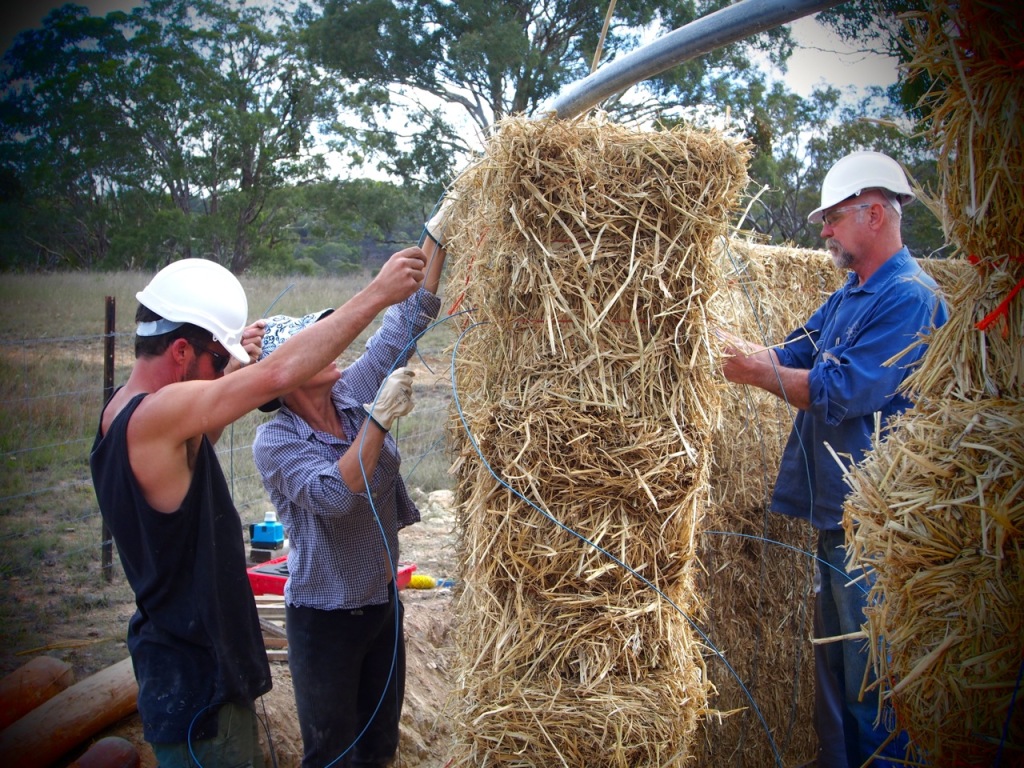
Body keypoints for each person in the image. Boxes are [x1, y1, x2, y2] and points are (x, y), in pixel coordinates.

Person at [89, 247, 428, 767]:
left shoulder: (127, 415)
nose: (227, 371)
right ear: (181, 352)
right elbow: (274, 381)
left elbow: (232, 396)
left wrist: (234, 359)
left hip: (195, 665)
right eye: (217, 359)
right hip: (196, 678)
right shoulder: (154, 419)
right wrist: (378, 292)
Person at [718, 150, 948, 768]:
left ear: (874, 214)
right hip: (836, 513)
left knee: (876, 675)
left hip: (878, 523)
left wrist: (755, 371)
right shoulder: (854, 293)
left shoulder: (908, 299)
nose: (822, 230)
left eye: (832, 218)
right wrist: (729, 348)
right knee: (837, 663)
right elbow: (797, 347)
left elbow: (840, 390)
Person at [251, 227, 446, 768]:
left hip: (382, 604)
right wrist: (378, 422)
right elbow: (335, 496)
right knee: (332, 756)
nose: (334, 347)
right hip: (326, 620)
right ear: (289, 376)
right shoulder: (276, 440)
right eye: (320, 344)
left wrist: (436, 238)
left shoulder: (347, 392)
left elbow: (403, 324)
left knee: (379, 747)